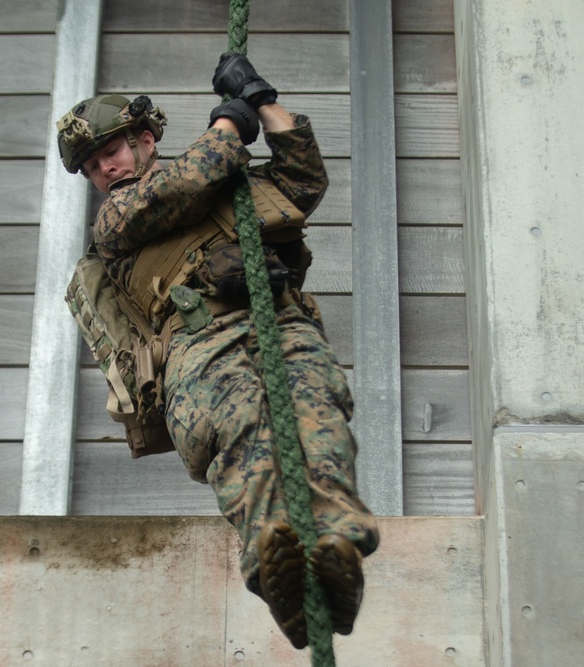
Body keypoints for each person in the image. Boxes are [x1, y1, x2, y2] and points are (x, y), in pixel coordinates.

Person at [56, 54, 379, 649]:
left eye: (113, 149)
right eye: (93, 165)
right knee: (242, 428)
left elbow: (304, 182)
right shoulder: (119, 220)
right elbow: (184, 182)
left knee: (320, 425)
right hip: (200, 345)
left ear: (146, 138)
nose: (105, 168)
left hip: (281, 323)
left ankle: (338, 551)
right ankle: (276, 560)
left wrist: (260, 99)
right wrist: (229, 125)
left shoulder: (231, 187)